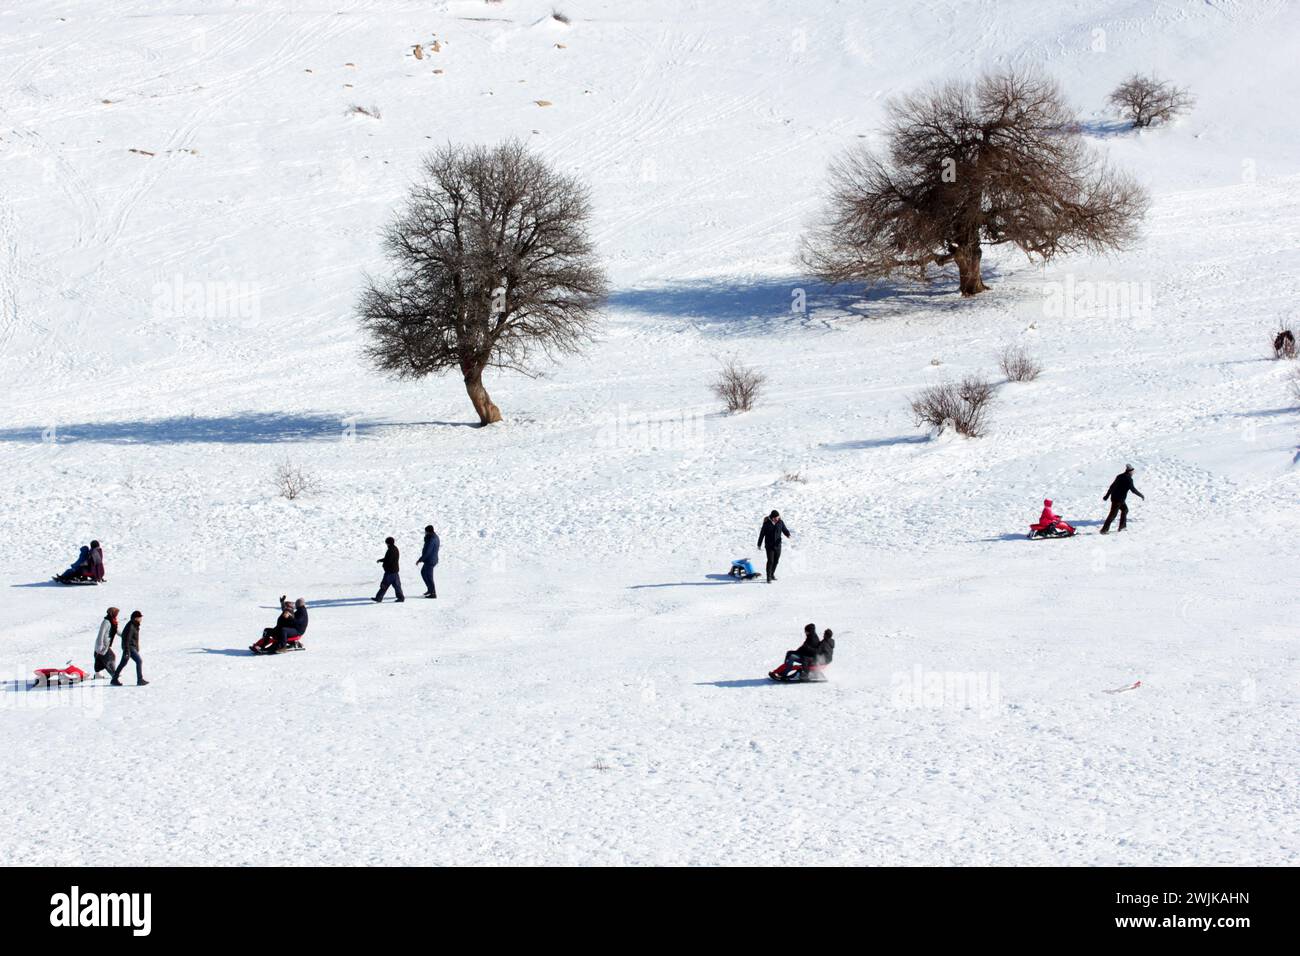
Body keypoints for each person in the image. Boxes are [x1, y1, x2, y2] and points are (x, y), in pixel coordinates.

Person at [1101, 464, 1145, 534]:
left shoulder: (1119, 476)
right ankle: (1104, 530)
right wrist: (1141, 495)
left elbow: (1112, 486)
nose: (1133, 473)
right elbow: (1133, 490)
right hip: (1119, 500)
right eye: (1133, 471)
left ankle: (1122, 527)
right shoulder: (1129, 479)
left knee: (1125, 510)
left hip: (1116, 498)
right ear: (1130, 471)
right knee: (1113, 515)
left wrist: (1107, 496)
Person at [110, 610, 147, 686]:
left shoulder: (134, 625)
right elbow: (127, 638)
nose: (141, 619)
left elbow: (134, 638)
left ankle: (114, 679)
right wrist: (127, 650)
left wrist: (137, 646)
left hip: (130, 647)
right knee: (139, 661)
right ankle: (140, 680)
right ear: (136, 618)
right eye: (140, 617)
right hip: (129, 647)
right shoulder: (131, 626)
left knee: (123, 663)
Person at [756, 510, 792, 583]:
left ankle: (772, 574)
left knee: (776, 561)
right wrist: (759, 544)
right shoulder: (766, 524)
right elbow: (762, 534)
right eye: (776, 517)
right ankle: (768, 577)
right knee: (770, 561)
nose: (777, 518)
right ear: (772, 518)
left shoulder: (780, 522)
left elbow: (784, 529)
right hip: (769, 546)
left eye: (778, 517)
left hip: (778, 545)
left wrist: (788, 534)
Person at [373, 536, 404, 603]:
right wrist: (381, 560)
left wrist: (384, 566)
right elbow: (388, 559)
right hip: (395, 571)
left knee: (384, 585)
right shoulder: (395, 549)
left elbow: (388, 560)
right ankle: (401, 598)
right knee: (397, 586)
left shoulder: (390, 550)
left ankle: (379, 598)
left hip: (389, 572)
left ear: (388, 543)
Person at [93, 606, 119, 679]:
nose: (117, 614)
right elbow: (101, 633)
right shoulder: (106, 622)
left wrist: (124, 635)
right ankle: (114, 674)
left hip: (106, 644)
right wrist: (100, 645)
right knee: (111, 657)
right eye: (116, 613)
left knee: (99, 659)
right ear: (112, 613)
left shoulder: (112, 621)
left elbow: (115, 630)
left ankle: (98, 675)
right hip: (103, 644)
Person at [416, 525, 440, 599]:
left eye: (425, 531)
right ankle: (430, 589)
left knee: (429, 576)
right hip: (431, 559)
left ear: (428, 531)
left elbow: (427, 551)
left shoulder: (431, 539)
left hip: (430, 560)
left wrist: (420, 559)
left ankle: (433, 593)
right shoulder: (435, 537)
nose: (425, 533)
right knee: (423, 572)